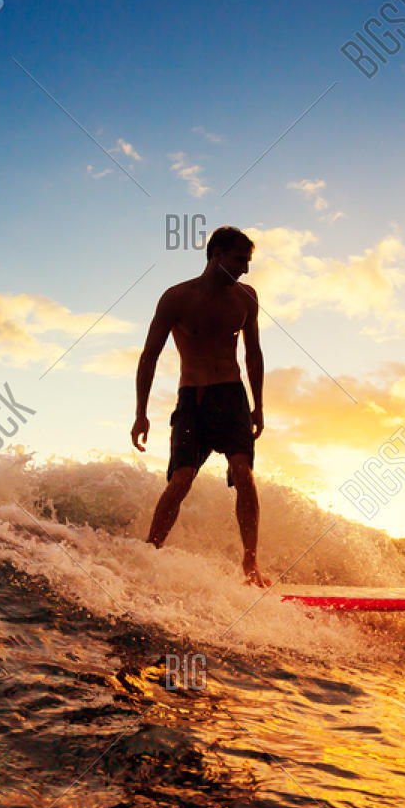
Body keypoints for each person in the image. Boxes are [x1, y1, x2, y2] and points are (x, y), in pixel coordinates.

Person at [131, 225, 271, 586]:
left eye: (248, 261)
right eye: (240, 260)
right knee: (181, 480)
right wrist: (140, 413)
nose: (246, 268)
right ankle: (151, 552)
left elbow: (253, 354)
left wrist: (258, 406)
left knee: (244, 474)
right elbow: (149, 357)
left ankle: (250, 564)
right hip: (193, 399)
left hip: (232, 396)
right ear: (218, 255)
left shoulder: (246, 298)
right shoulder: (177, 298)